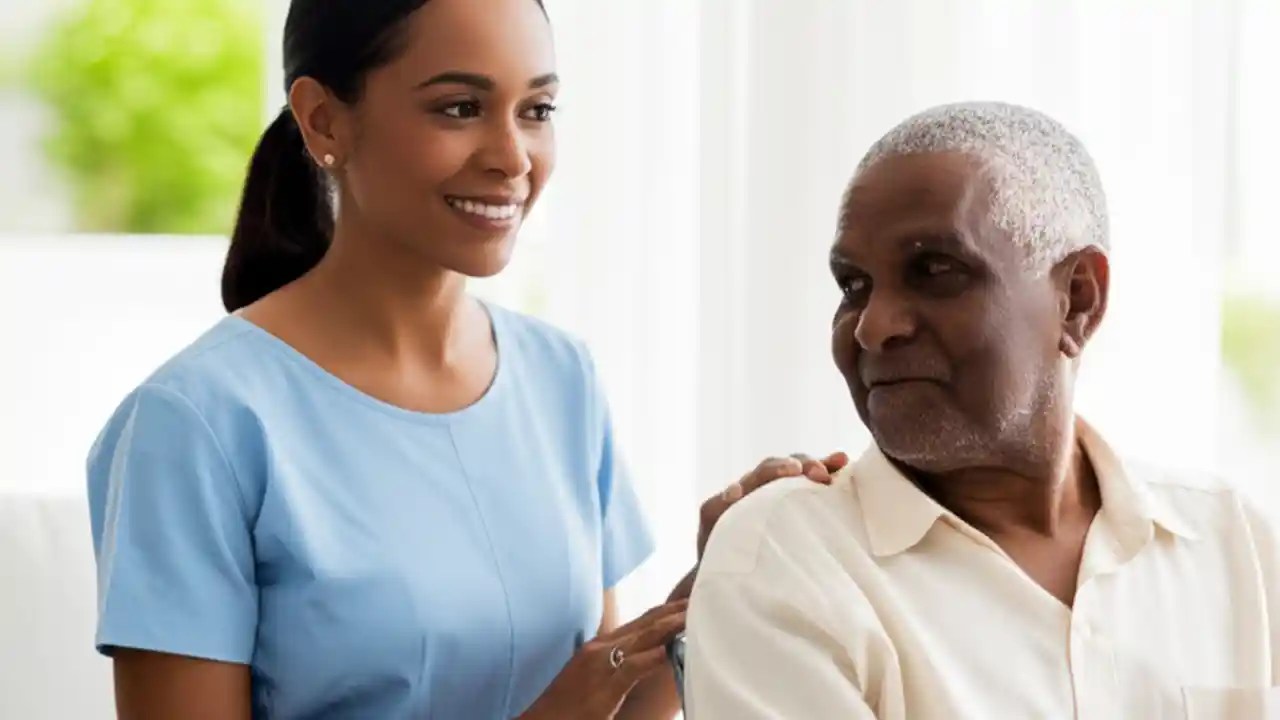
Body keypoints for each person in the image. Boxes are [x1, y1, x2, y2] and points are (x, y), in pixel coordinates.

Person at [84, 1, 846, 718]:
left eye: (537, 111)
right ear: (323, 119)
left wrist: (722, 573)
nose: (513, 157)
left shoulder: (561, 378)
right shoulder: (193, 425)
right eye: (459, 108)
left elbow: (613, 704)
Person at [684, 102, 1280, 719]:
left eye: (936, 271)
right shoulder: (781, 558)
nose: (872, 327)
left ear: (1078, 299)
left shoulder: (1233, 543)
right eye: (853, 285)